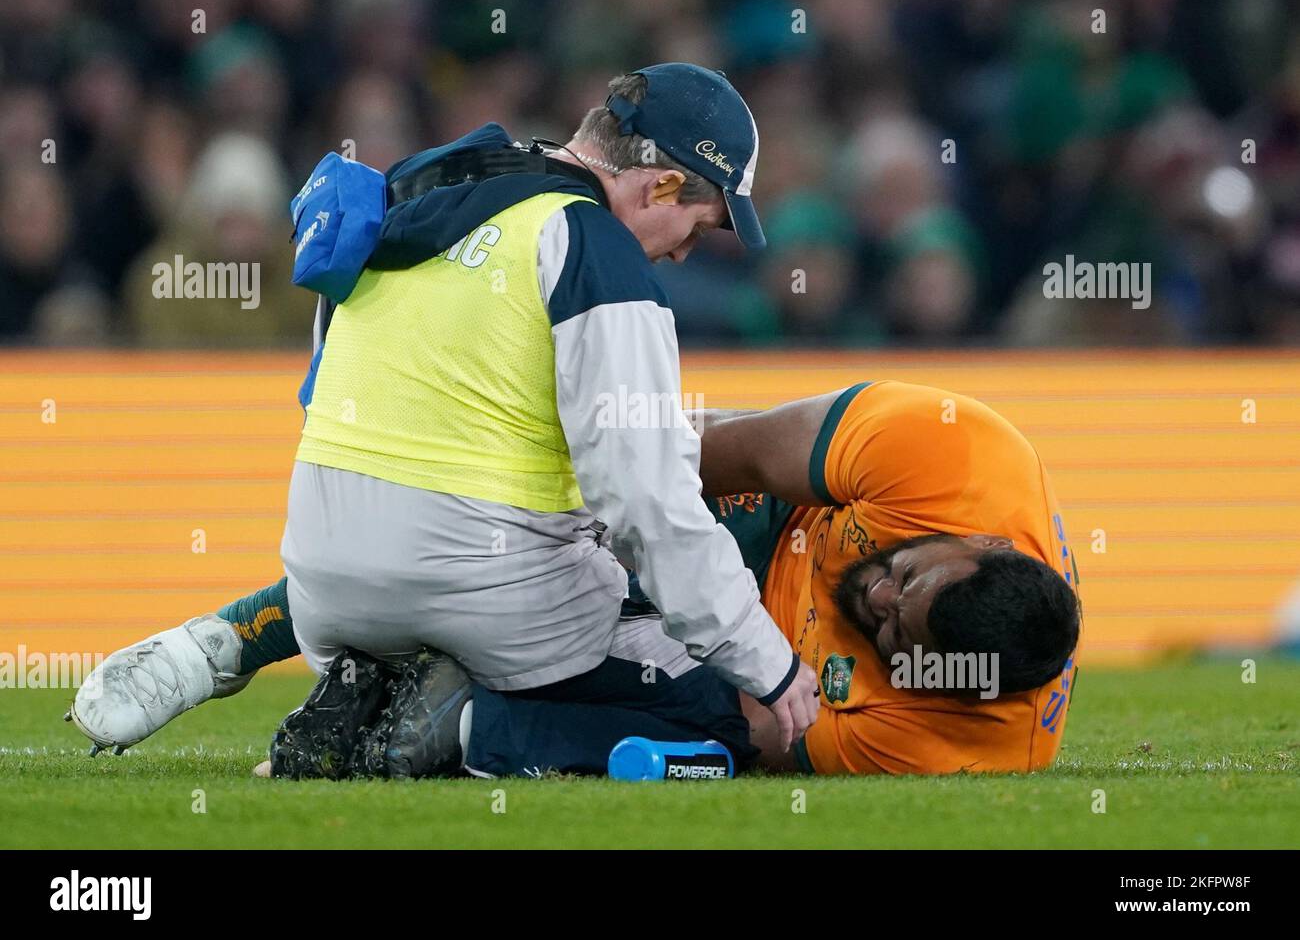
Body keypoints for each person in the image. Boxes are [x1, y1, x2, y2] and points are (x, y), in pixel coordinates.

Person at [72, 63, 818, 756]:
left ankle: (279, 656)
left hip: (323, 586)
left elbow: (324, 372)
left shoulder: (416, 184)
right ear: (661, 186)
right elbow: (647, 503)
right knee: (726, 709)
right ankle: (461, 724)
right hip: (490, 604)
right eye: (704, 224)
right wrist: (770, 665)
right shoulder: (596, 252)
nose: (688, 253)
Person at [72, 380, 1080, 776]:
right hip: (760, 517)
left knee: (718, 730)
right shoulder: (960, 457)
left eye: (900, 642)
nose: (880, 601)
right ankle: (227, 644)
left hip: (760, 668)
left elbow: (773, 732)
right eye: (904, 575)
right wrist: (566, 498)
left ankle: (443, 722)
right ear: (982, 541)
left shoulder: (961, 744)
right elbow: (718, 448)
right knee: (509, 529)